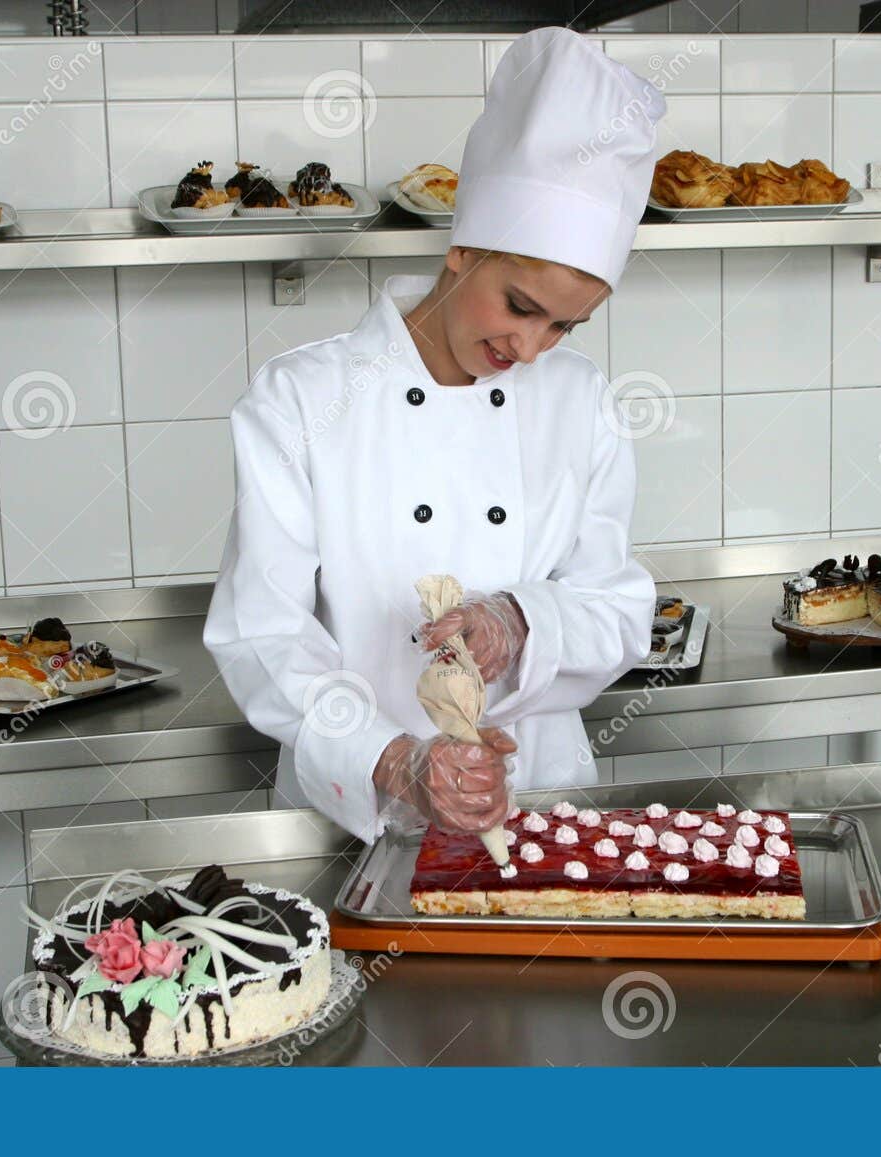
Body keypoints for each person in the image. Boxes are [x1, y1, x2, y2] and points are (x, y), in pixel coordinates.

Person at [203, 26, 664, 841]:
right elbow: (263, 632)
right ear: (464, 249)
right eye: (520, 306)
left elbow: (618, 610)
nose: (531, 348)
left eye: (564, 325)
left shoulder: (580, 400)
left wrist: (522, 622)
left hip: (535, 806)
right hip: (358, 819)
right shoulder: (303, 399)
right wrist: (391, 760)